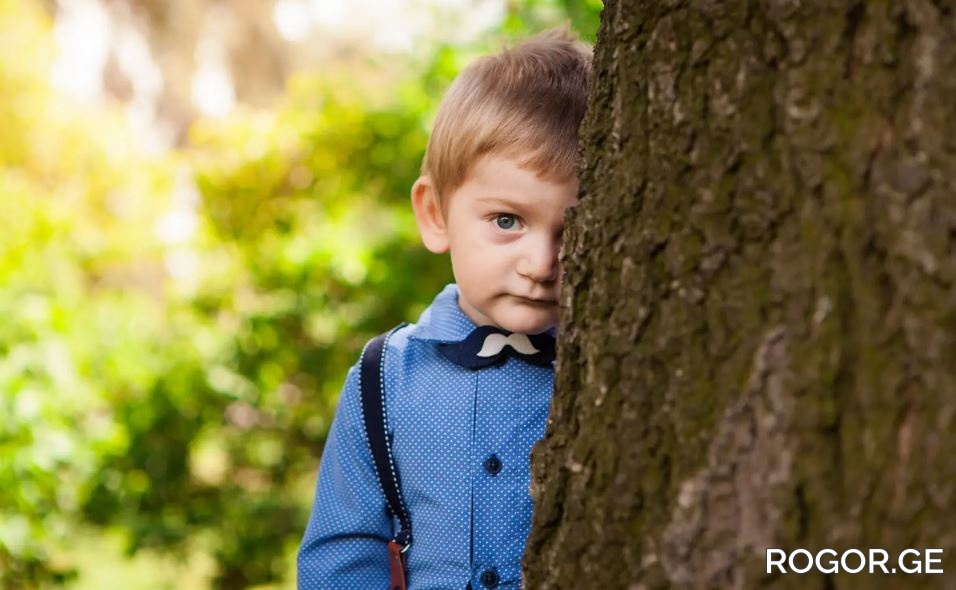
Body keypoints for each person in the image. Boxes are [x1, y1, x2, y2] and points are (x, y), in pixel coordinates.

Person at [297, 27, 591, 589]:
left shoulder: (613, 368)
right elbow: (343, 551)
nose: (541, 262)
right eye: (507, 221)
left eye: (572, 227)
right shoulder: (383, 379)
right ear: (435, 214)